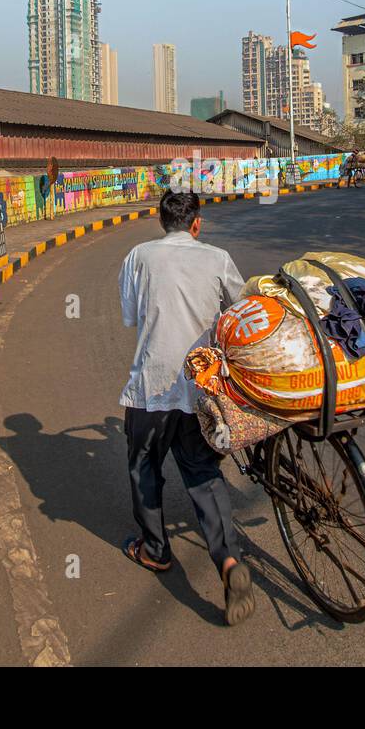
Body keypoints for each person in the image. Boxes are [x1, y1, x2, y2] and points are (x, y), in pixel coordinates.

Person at [117, 189, 255, 625]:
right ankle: (228, 560)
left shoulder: (138, 257)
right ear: (197, 224)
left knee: (144, 466)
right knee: (203, 473)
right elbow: (241, 314)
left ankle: (155, 549)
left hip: (152, 388)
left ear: (162, 222)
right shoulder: (218, 258)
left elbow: (130, 316)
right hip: (201, 388)